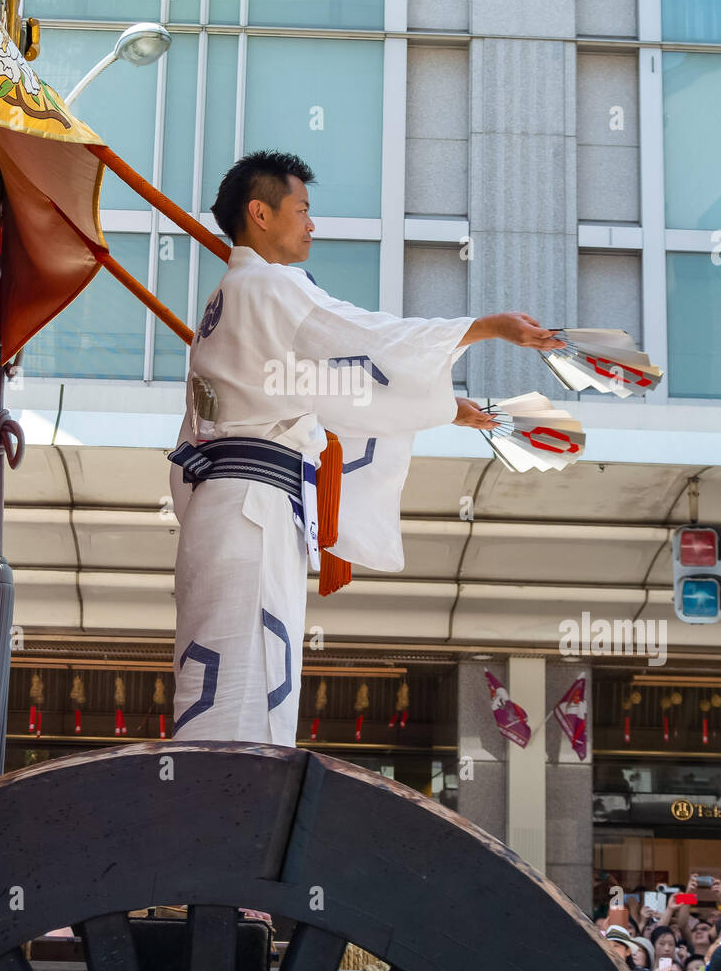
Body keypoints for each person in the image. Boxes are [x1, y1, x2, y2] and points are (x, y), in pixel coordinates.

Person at [168, 151, 565, 745]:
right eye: (301, 209)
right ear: (261, 213)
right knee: (250, 680)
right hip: (253, 510)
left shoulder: (228, 298)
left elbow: (313, 386)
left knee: (226, 675)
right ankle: (232, 809)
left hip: (225, 505)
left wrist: (442, 406)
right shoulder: (272, 285)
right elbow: (366, 339)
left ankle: (212, 797)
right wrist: (482, 328)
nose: (310, 224)